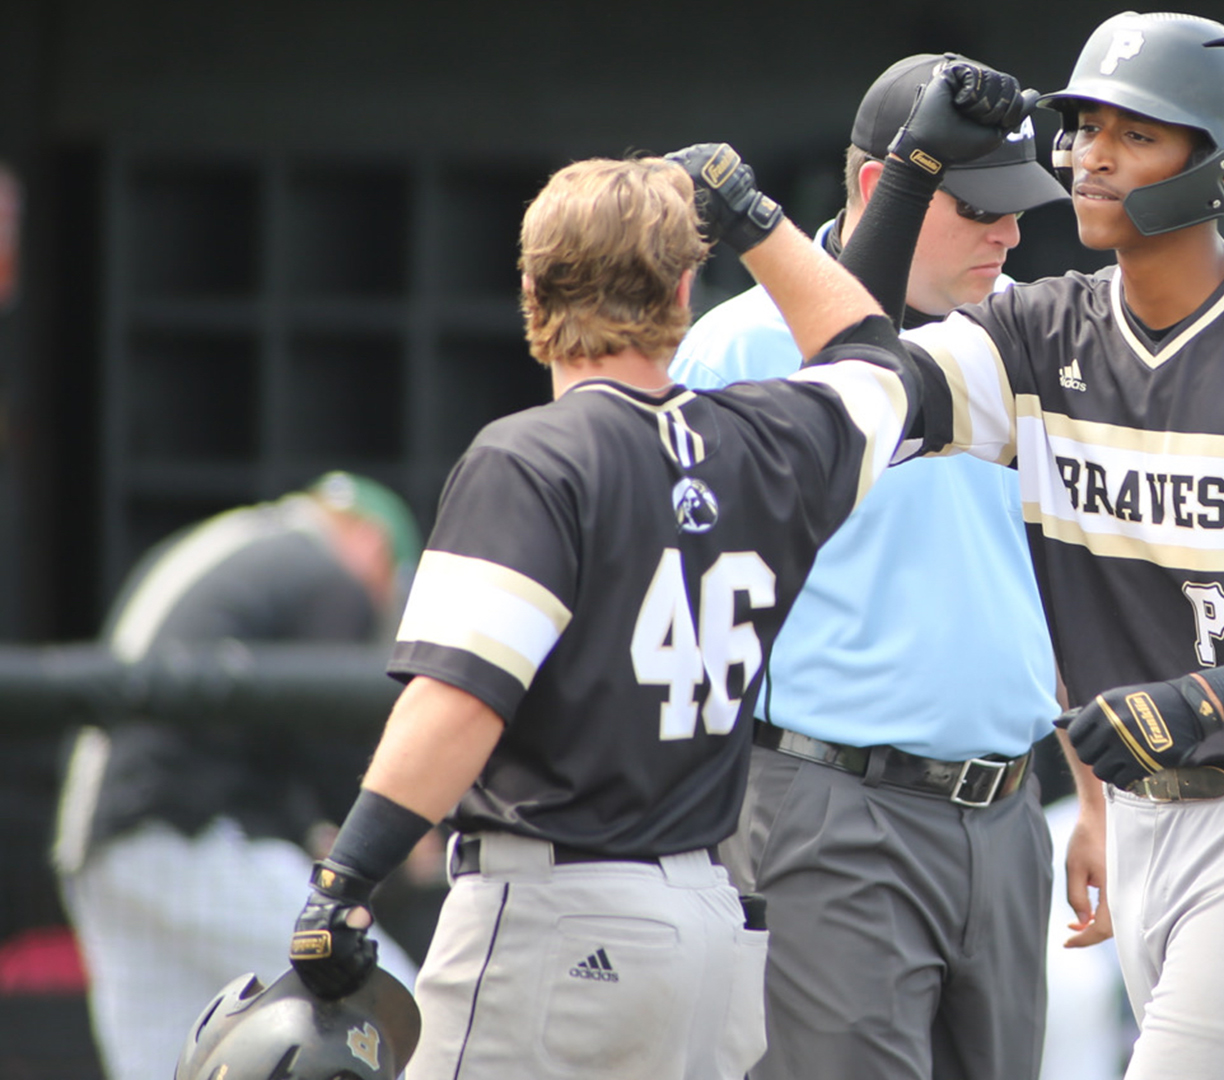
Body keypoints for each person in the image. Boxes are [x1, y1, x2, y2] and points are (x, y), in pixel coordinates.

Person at [280, 67, 1034, 1080]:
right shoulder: (764, 438)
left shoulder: (530, 458)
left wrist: (344, 880)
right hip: (707, 924)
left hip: (554, 909)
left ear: (532, 293)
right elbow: (871, 352)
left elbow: (460, 697)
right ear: (684, 291)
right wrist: (764, 216)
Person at [833, 13, 1224, 1078]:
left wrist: (1206, 700)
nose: (1091, 157)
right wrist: (913, 170)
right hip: (1139, 821)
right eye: (1084, 128)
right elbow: (856, 379)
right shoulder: (1035, 332)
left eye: (1137, 134)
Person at [669, 52, 1068, 1080]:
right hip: (829, 803)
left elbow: (1059, 578)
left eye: (1017, 208)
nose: (1009, 233)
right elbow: (685, 604)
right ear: (880, 185)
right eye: (979, 207)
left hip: (1011, 812)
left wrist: (1099, 806)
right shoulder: (737, 347)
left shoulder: (1032, 334)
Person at [48, 472, 424, 1080]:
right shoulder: (327, 570)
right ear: (372, 544)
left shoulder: (240, 542)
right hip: (190, 834)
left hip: (99, 847)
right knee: (390, 1017)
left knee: (164, 1064)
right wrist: (395, 842)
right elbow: (328, 732)